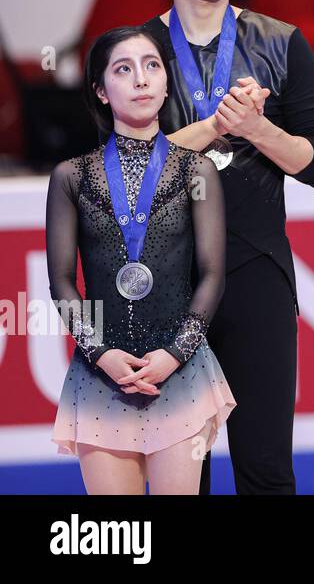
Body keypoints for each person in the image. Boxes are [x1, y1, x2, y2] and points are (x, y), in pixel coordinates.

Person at [140, 0, 314, 495]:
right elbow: (123, 172)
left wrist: (257, 128)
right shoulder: (135, 52)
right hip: (165, 283)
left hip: (257, 272)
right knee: (179, 473)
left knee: (266, 467)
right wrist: (210, 128)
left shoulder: (280, 43)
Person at [47, 26, 235, 494]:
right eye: (123, 69)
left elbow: (212, 273)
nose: (141, 79)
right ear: (100, 90)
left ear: (167, 83)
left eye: (152, 66)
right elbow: (62, 283)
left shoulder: (197, 170)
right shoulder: (72, 178)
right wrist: (101, 353)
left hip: (179, 369)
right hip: (101, 375)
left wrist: (175, 353)